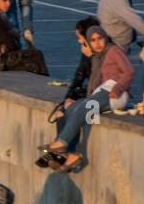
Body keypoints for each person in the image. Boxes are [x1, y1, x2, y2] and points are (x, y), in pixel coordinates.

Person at [37, 26, 135, 173]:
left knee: (84, 107)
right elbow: (93, 85)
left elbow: (129, 71)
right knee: (72, 109)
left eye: (100, 39)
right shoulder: (97, 57)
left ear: (105, 38)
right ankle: (73, 155)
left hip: (114, 93)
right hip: (101, 93)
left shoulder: (113, 51)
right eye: (93, 40)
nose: (97, 43)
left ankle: (61, 143)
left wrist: (117, 89)